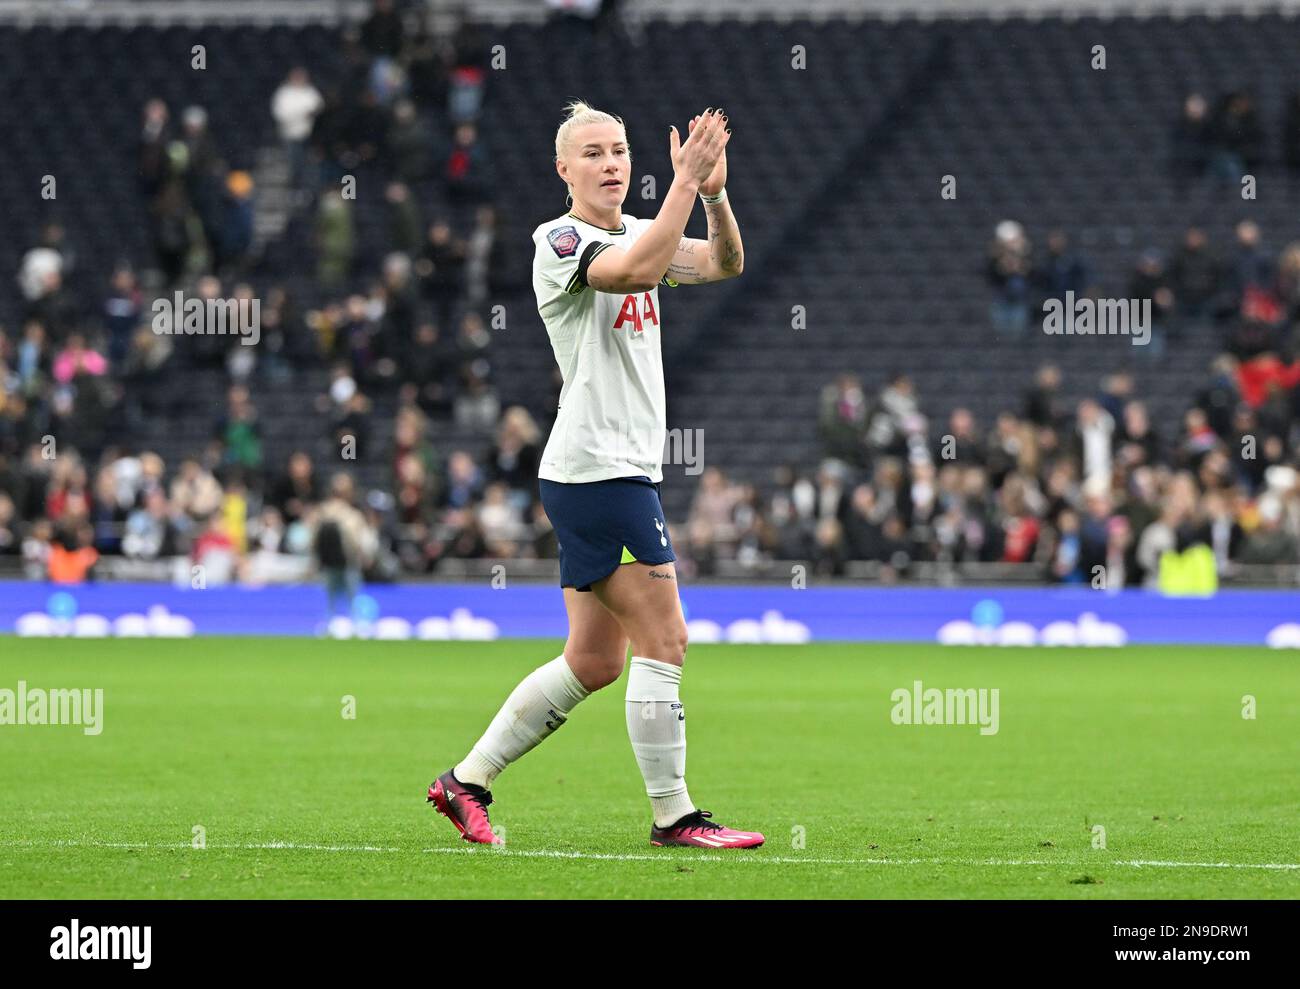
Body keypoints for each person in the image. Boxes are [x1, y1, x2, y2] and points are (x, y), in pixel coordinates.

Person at [426, 101, 764, 849]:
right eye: (594, 153)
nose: (612, 163)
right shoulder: (561, 239)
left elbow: (725, 263)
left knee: (594, 659)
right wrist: (682, 186)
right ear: (564, 170)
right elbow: (634, 271)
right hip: (598, 469)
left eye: (619, 149)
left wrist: (711, 193)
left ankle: (464, 780)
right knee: (665, 638)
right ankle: (675, 816)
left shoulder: (648, 223)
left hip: (609, 468)